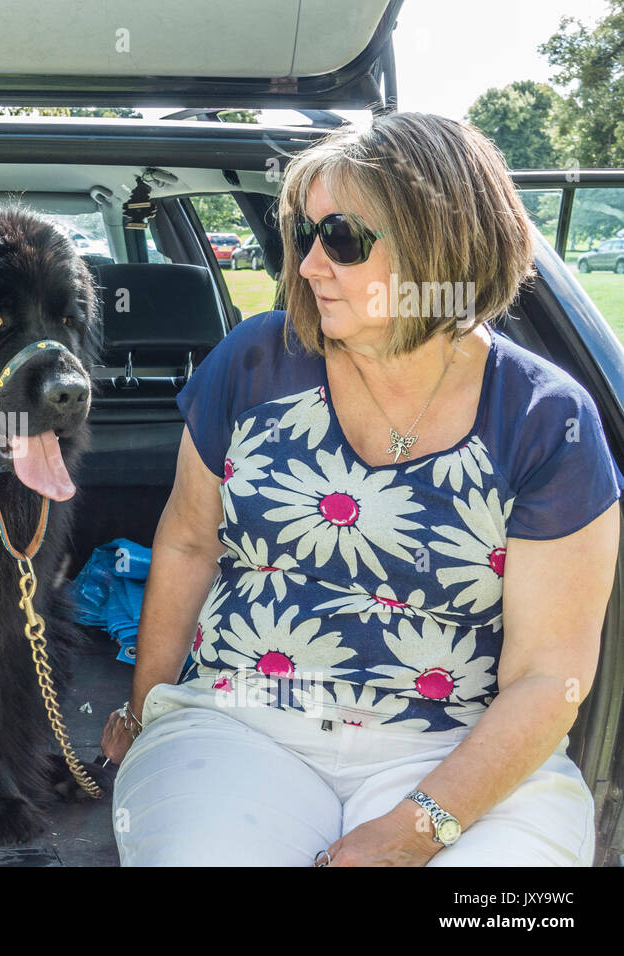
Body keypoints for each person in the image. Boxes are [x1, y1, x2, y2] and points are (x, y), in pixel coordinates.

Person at [103, 111, 624, 866]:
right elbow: (187, 540)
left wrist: (417, 832)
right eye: (302, 238)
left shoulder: (547, 420)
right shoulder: (255, 361)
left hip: (459, 747)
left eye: (341, 239)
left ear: (441, 242)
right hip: (239, 721)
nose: (311, 266)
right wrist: (148, 707)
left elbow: (549, 676)